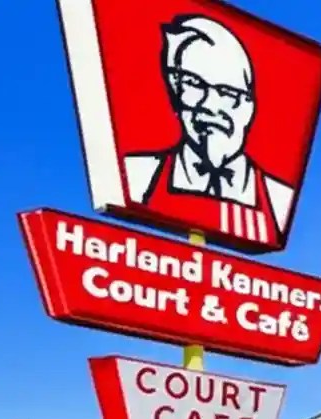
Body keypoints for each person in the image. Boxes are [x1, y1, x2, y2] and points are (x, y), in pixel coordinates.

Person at [123, 14, 294, 247]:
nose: (210, 105)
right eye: (194, 84)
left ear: (249, 108)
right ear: (175, 93)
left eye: (228, 92)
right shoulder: (136, 176)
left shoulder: (279, 199)